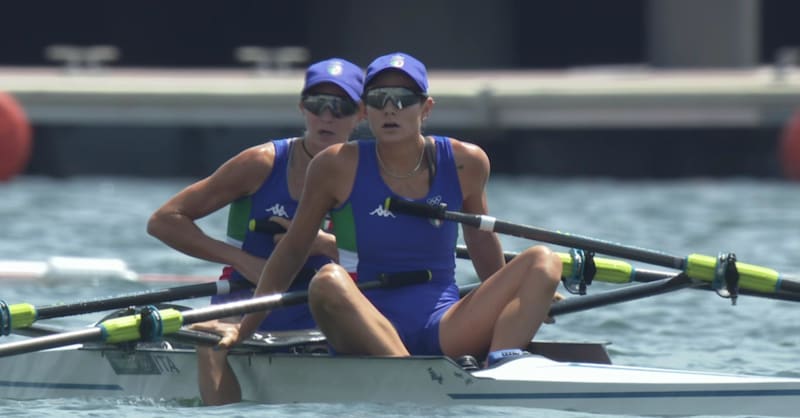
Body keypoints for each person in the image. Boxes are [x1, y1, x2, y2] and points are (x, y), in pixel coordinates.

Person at [219, 52, 561, 367]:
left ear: (425, 108)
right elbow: (292, 251)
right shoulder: (336, 165)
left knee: (544, 261)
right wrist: (244, 328)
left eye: (403, 100)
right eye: (379, 100)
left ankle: (500, 362)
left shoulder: (465, 162)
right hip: (364, 322)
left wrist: (519, 299)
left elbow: (482, 243)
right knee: (326, 281)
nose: (390, 109)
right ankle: (410, 375)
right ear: (365, 111)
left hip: (443, 322)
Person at [146, 57, 365, 405]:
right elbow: (164, 220)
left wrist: (321, 243)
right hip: (246, 298)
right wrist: (242, 260)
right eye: (316, 104)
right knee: (213, 339)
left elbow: (387, 256)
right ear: (301, 108)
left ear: (361, 114)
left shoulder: (370, 171)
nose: (326, 116)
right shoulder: (262, 163)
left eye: (340, 107)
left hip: (322, 306)